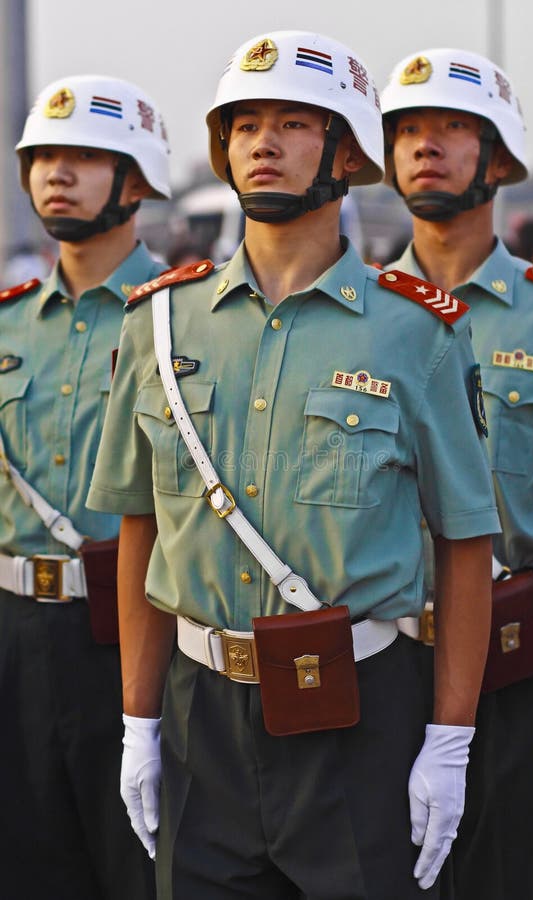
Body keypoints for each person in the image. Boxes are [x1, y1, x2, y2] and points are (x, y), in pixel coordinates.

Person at [87, 31, 500, 899]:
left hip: (357, 714)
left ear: (346, 153)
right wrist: (137, 723)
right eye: (241, 126)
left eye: (291, 123)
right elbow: (139, 529)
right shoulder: (160, 325)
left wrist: (448, 742)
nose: (261, 143)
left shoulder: (415, 333)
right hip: (202, 718)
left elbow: (466, 544)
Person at [380, 48, 533, 900]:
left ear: (496, 160)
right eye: (408, 132)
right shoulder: (352, 313)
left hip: (514, 660)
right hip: (380, 665)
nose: (426, 147)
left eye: (452, 130)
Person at [0, 74, 171, 899]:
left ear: (136, 182)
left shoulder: (183, 316)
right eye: (43, 157)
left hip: (133, 638)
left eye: (83, 158)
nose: (56, 174)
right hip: (12, 639)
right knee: (26, 863)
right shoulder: (4, 322)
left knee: (139, 868)